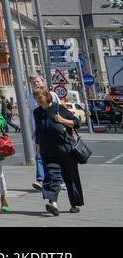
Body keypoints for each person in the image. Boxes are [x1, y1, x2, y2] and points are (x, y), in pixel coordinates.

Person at [33, 84, 84, 216]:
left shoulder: (58, 108)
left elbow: (76, 123)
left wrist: (62, 120)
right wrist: (38, 145)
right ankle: (53, 204)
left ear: (47, 96)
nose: (38, 99)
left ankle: (75, 203)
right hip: (48, 151)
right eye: (36, 97)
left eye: (40, 96)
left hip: (65, 149)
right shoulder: (37, 112)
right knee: (52, 177)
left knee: (70, 177)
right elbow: (38, 130)